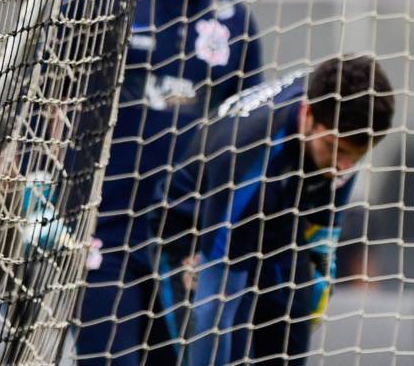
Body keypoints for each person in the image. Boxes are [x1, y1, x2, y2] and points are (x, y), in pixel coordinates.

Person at [75, 0, 262, 365]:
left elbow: (246, 142)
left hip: (186, 250)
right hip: (102, 236)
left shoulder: (236, 25)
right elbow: (50, 105)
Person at [155, 55, 394, 366]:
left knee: (292, 331)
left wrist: (321, 268)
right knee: (219, 348)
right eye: (336, 149)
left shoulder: (340, 115)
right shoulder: (249, 155)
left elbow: (327, 213)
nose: (343, 166)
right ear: (307, 115)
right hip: (198, 230)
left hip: (278, 220)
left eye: (358, 154)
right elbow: (212, 306)